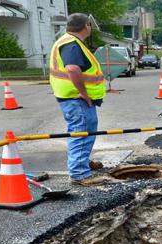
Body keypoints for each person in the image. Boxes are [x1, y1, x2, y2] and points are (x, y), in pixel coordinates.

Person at [50, 14, 109, 185]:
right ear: (86, 26)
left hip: (72, 97)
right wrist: (83, 92)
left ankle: (82, 162)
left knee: (83, 131)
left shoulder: (68, 41)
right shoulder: (71, 44)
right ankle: (79, 173)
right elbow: (72, 69)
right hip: (76, 98)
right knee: (82, 132)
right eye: (89, 25)